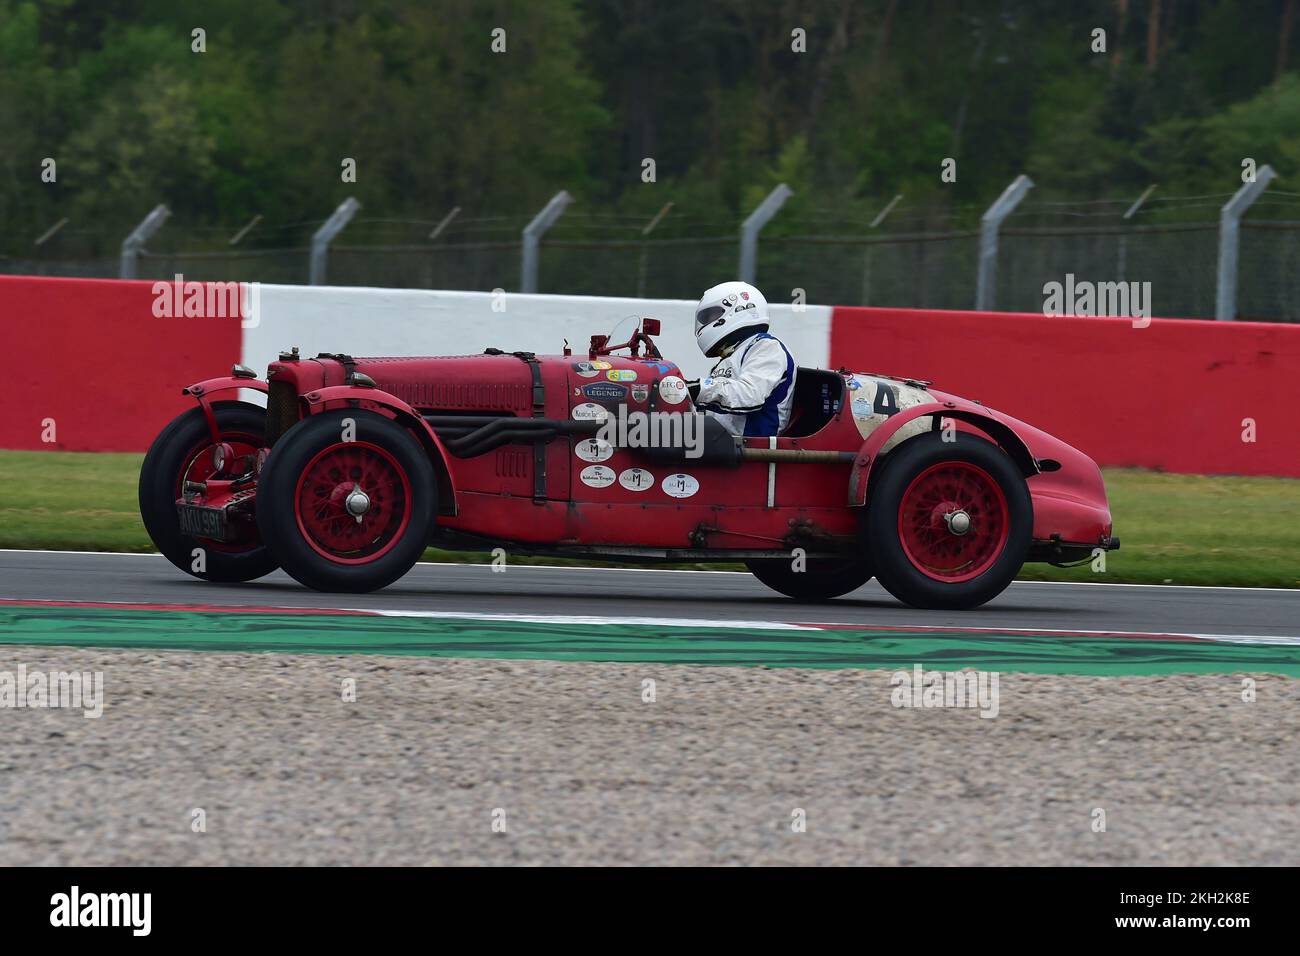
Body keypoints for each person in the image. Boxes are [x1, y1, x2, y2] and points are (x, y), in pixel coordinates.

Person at [689, 280, 796, 437]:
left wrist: (698, 389)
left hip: (751, 450)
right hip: (722, 443)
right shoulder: (732, 353)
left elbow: (749, 396)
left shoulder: (766, 347)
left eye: (713, 315)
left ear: (739, 308)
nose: (709, 320)